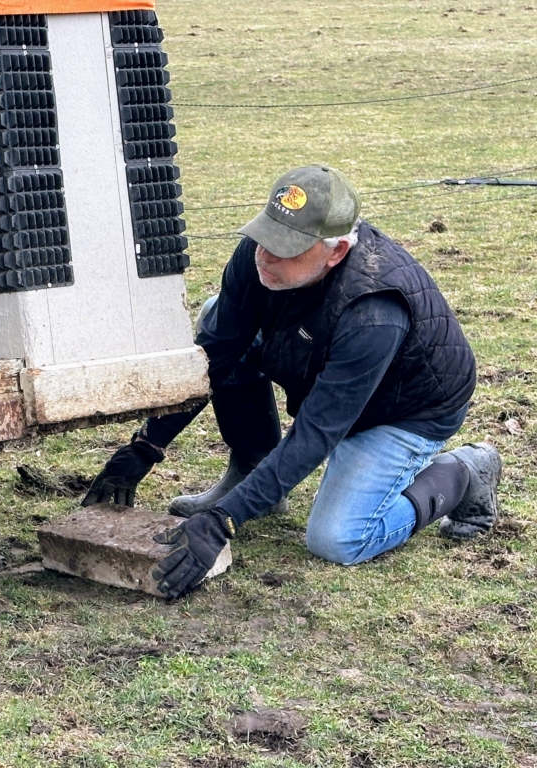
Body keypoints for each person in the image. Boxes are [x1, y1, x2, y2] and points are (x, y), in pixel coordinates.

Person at [83, 164, 501, 599]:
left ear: (335, 252)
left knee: (338, 539)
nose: (264, 256)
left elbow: (317, 432)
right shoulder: (257, 256)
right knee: (216, 315)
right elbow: (216, 354)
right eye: (266, 237)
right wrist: (145, 447)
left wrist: (223, 520)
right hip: (317, 361)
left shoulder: (374, 311)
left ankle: (463, 473)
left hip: (404, 410)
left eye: (286, 249)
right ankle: (251, 469)